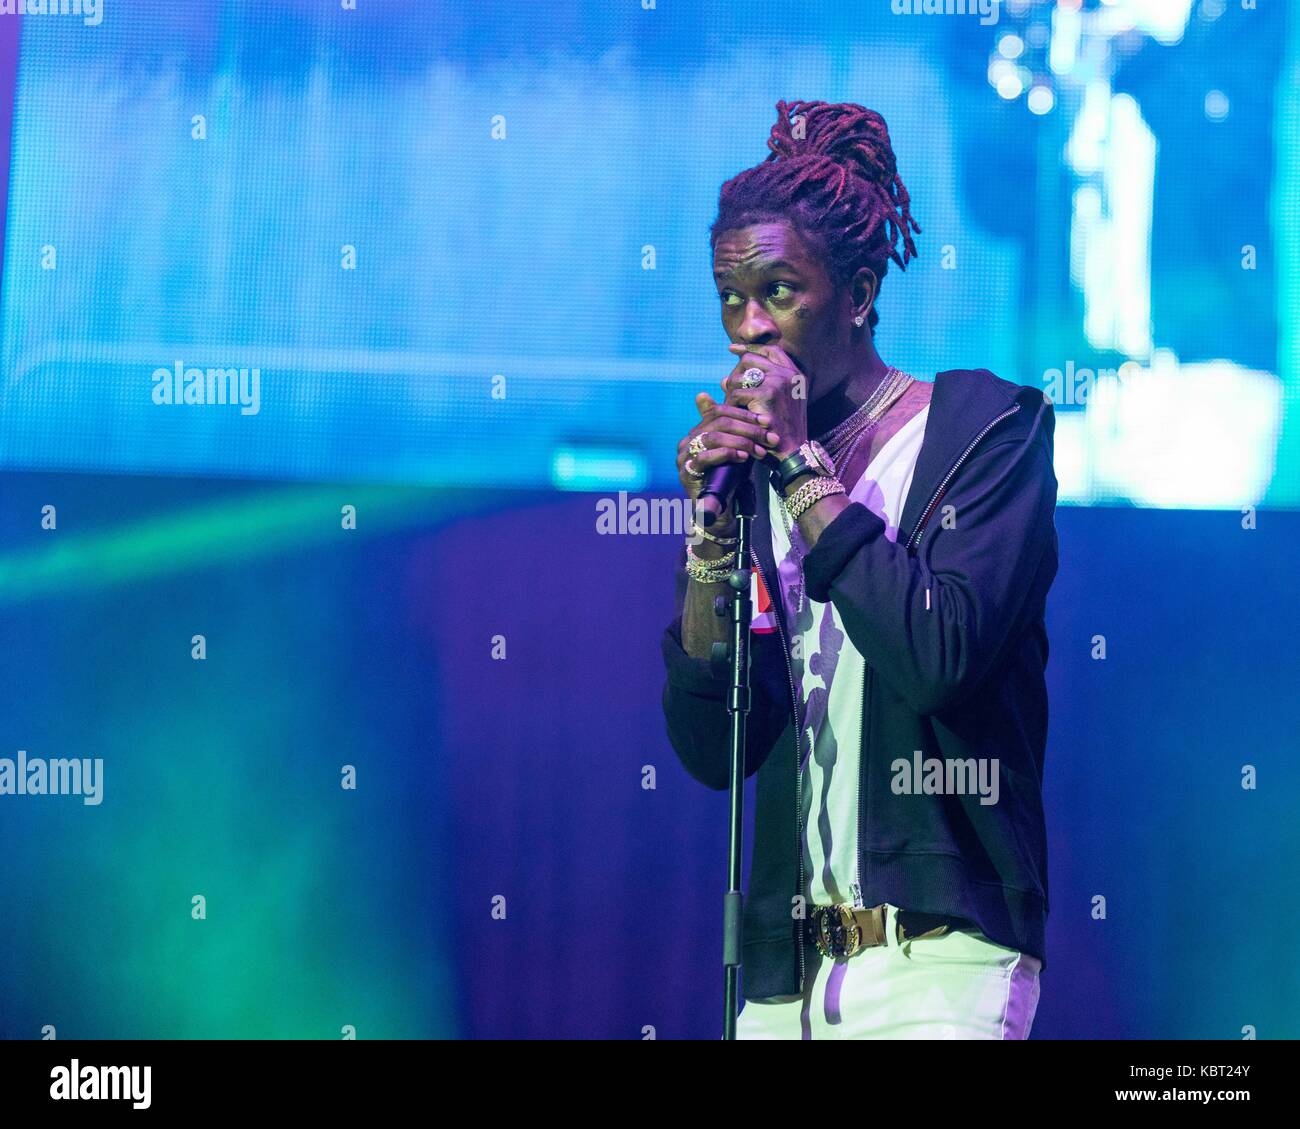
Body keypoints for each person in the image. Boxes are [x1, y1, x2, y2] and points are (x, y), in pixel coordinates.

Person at [660, 100, 1058, 1039]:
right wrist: (709, 533)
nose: (746, 329)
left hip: (938, 966)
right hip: (782, 982)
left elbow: (938, 654)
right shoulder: (751, 486)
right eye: (729, 297)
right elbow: (711, 749)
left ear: (861, 292)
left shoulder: (984, 434)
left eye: (778, 292)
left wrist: (803, 471)